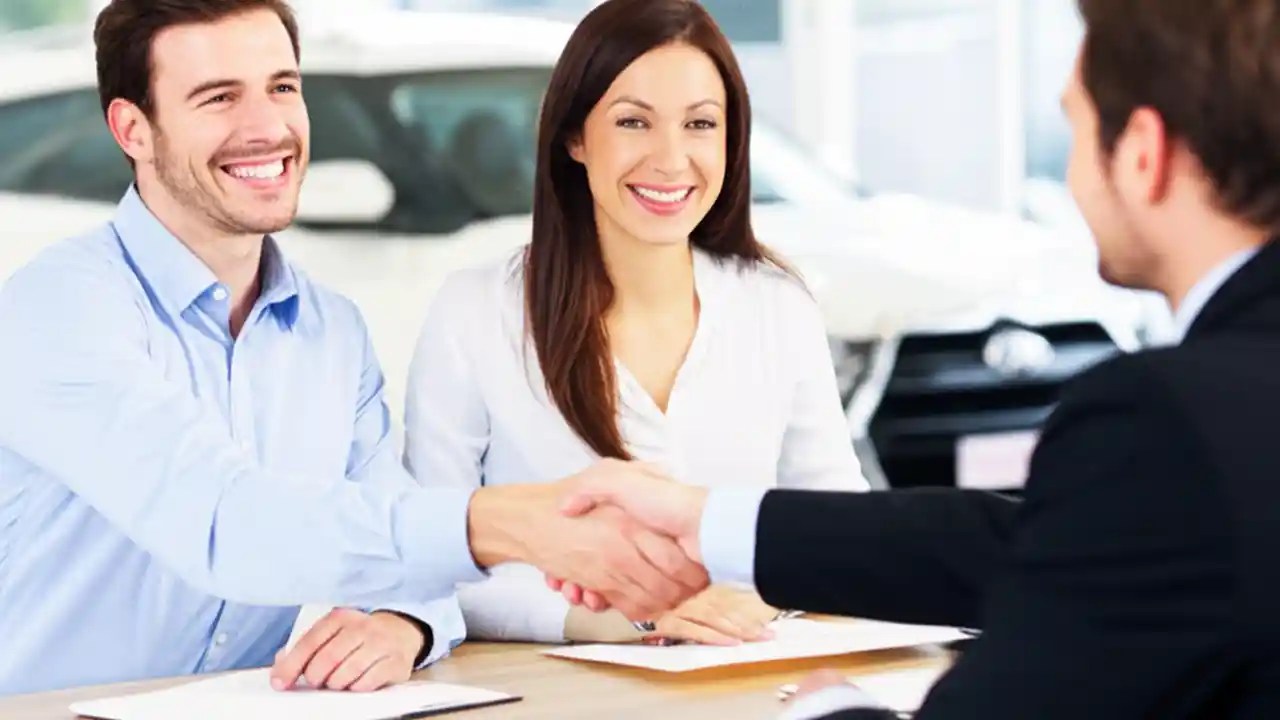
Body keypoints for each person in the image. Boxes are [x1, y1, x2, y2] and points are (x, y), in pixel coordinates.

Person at [554, 0, 1280, 717]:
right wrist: (712, 522)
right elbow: (1031, 545)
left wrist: (827, 711)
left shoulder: (1168, 419)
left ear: (1144, 155)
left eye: (1076, 131)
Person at [0, 0, 705, 697]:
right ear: (133, 129)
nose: (268, 127)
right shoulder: (59, 310)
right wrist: (509, 523)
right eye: (219, 98)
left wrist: (402, 625)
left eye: (283, 87)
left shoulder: (331, 332)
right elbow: (222, 522)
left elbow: (408, 564)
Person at [403, 0, 867, 647]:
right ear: (575, 138)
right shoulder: (476, 311)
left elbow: (846, 531)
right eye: (633, 122)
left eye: (700, 124)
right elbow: (428, 553)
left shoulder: (776, 304)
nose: (671, 160)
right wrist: (620, 619)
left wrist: (759, 596)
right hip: (555, 684)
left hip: (749, 670)